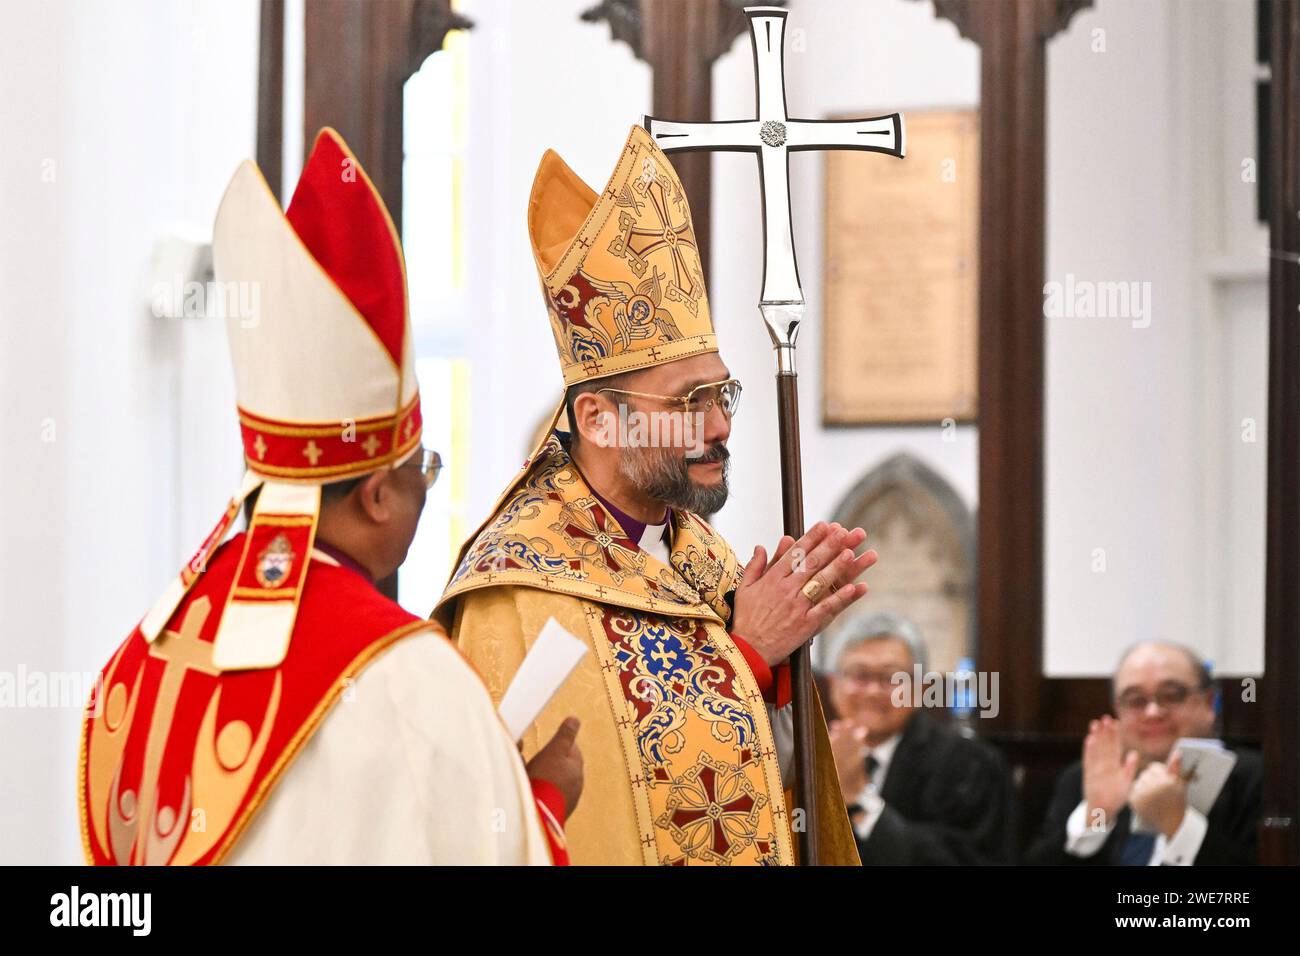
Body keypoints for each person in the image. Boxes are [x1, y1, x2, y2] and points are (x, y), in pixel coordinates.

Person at [78, 128, 580, 866]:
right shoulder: (409, 677)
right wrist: (542, 798)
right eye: (424, 470)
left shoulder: (142, 654)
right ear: (377, 495)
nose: (424, 489)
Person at [434, 125, 875, 865]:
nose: (722, 422)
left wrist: (783, 678)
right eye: (689, 400)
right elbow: (563, 816)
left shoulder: (704, 561)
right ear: (599, 419)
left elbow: (768, 798)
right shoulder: (514, 590)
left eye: (725, 392)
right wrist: (750, 658)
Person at [1025, 640, 1261, 865]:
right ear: (1117, 709)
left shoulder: (1257, 778)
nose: (1153, 712)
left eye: (1172, 695)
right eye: (1135, 700)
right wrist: (1098, 816)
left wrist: (1179, 827)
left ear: (1209, 703)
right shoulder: (1085, 777)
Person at [826, 613, 1015, 864]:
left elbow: (967, 859)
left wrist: (861, 802)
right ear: (832, 683)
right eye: (860, 676)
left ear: (921, 689)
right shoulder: (805, 754)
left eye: (891, 678)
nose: (872, 691)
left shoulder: (970, 764)